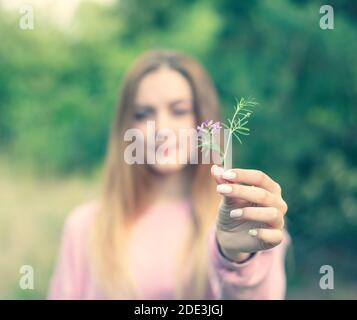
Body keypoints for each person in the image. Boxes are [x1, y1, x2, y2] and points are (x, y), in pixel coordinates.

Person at [48, 49, 289, 299]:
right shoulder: (86, 228)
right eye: (143, 114)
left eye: (179, 110)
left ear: (204, 120)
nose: (161, 129)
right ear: (126, 126)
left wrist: (238, 258)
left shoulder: (246, 218)